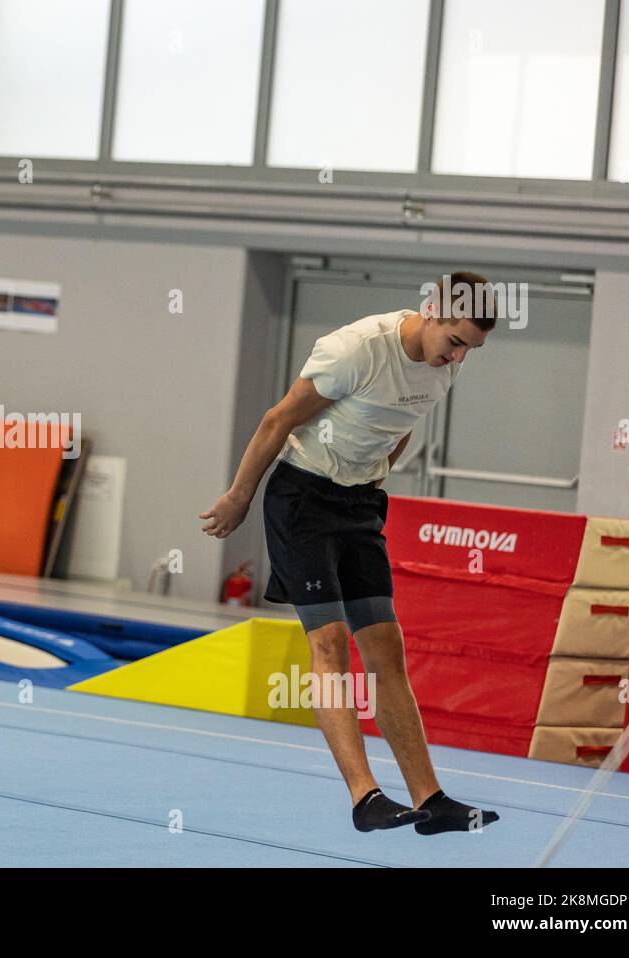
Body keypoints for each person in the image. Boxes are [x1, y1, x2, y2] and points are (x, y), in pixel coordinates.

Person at [200, 272, 502, 834]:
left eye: (471, 348)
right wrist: (239, 497)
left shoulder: (448, 363)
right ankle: (366, 798)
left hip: (361, 503)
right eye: (455, 341)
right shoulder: (357, 350)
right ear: (431, 311)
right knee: (331, 643)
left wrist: (378, 472)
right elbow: (278, 419)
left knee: (387, 649)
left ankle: (429, 799)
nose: (459, 356)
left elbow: (402, 421)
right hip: (303, 499)